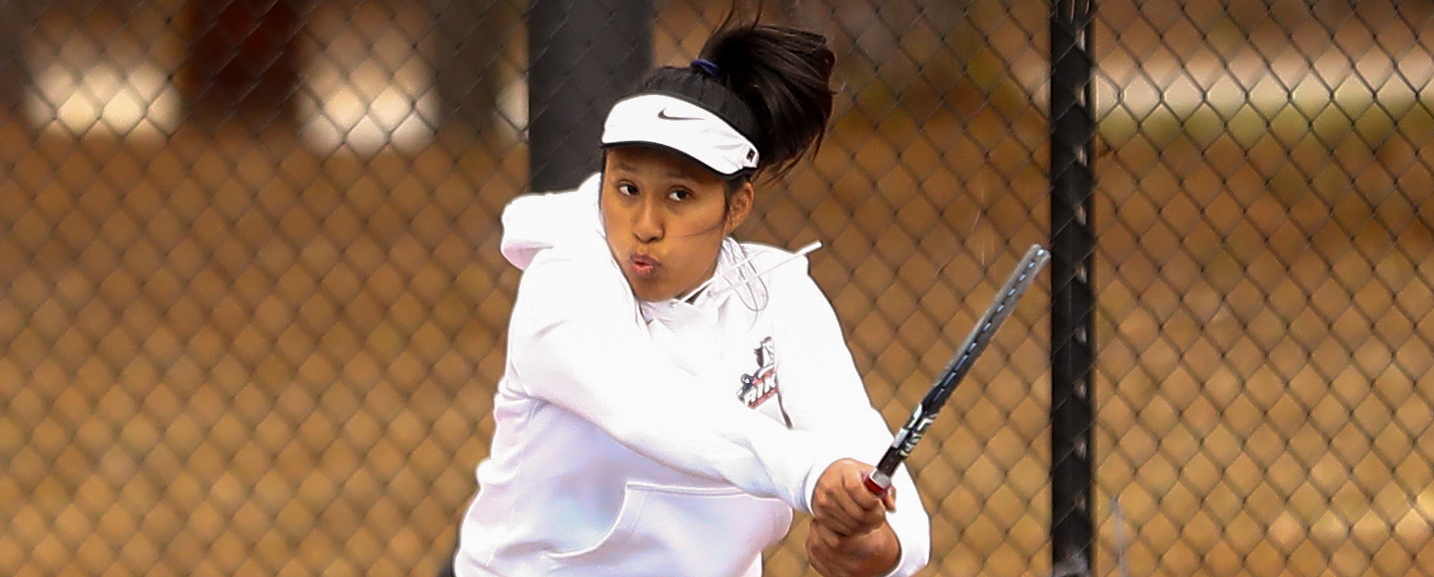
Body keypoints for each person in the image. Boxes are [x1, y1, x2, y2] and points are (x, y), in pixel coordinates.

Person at [451, 19, 931, 577]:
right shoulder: (563, 281)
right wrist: (810, 471)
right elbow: (646, 402)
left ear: (737, 206)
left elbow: (852, 432)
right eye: (627, 189)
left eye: (679, 195)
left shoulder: (780, 295)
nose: (645, 225)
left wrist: (887, 546)